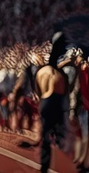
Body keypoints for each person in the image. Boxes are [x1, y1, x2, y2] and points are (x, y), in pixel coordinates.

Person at [39, 34, 72, 173]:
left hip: (44, 103)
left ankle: (44, 168)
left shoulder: (41, 72)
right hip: (55, 102)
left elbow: (38, 91)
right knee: (61, 138)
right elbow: (65, 94)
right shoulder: (60, 75)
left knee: (45, 139)